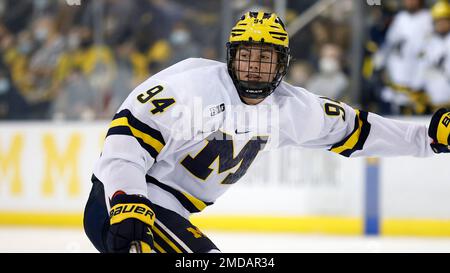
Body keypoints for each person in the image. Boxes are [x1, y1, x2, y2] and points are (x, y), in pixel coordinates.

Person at [83, 11, 450, 253]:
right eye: (246, 56)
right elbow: (126, 137)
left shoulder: (293, 109)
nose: (253, 67)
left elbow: (358, 130)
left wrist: (427, 139)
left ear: (282, 64)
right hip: (128, 205)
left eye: (264, 57)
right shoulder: (192, 86)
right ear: (231, 57)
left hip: (167, 210)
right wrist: (126, 198)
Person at [419, 0, 450, 111]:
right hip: (430, 105)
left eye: (444, 20)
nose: (441, 24)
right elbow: (422, 69)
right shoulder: (428, 42)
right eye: (438, 20)